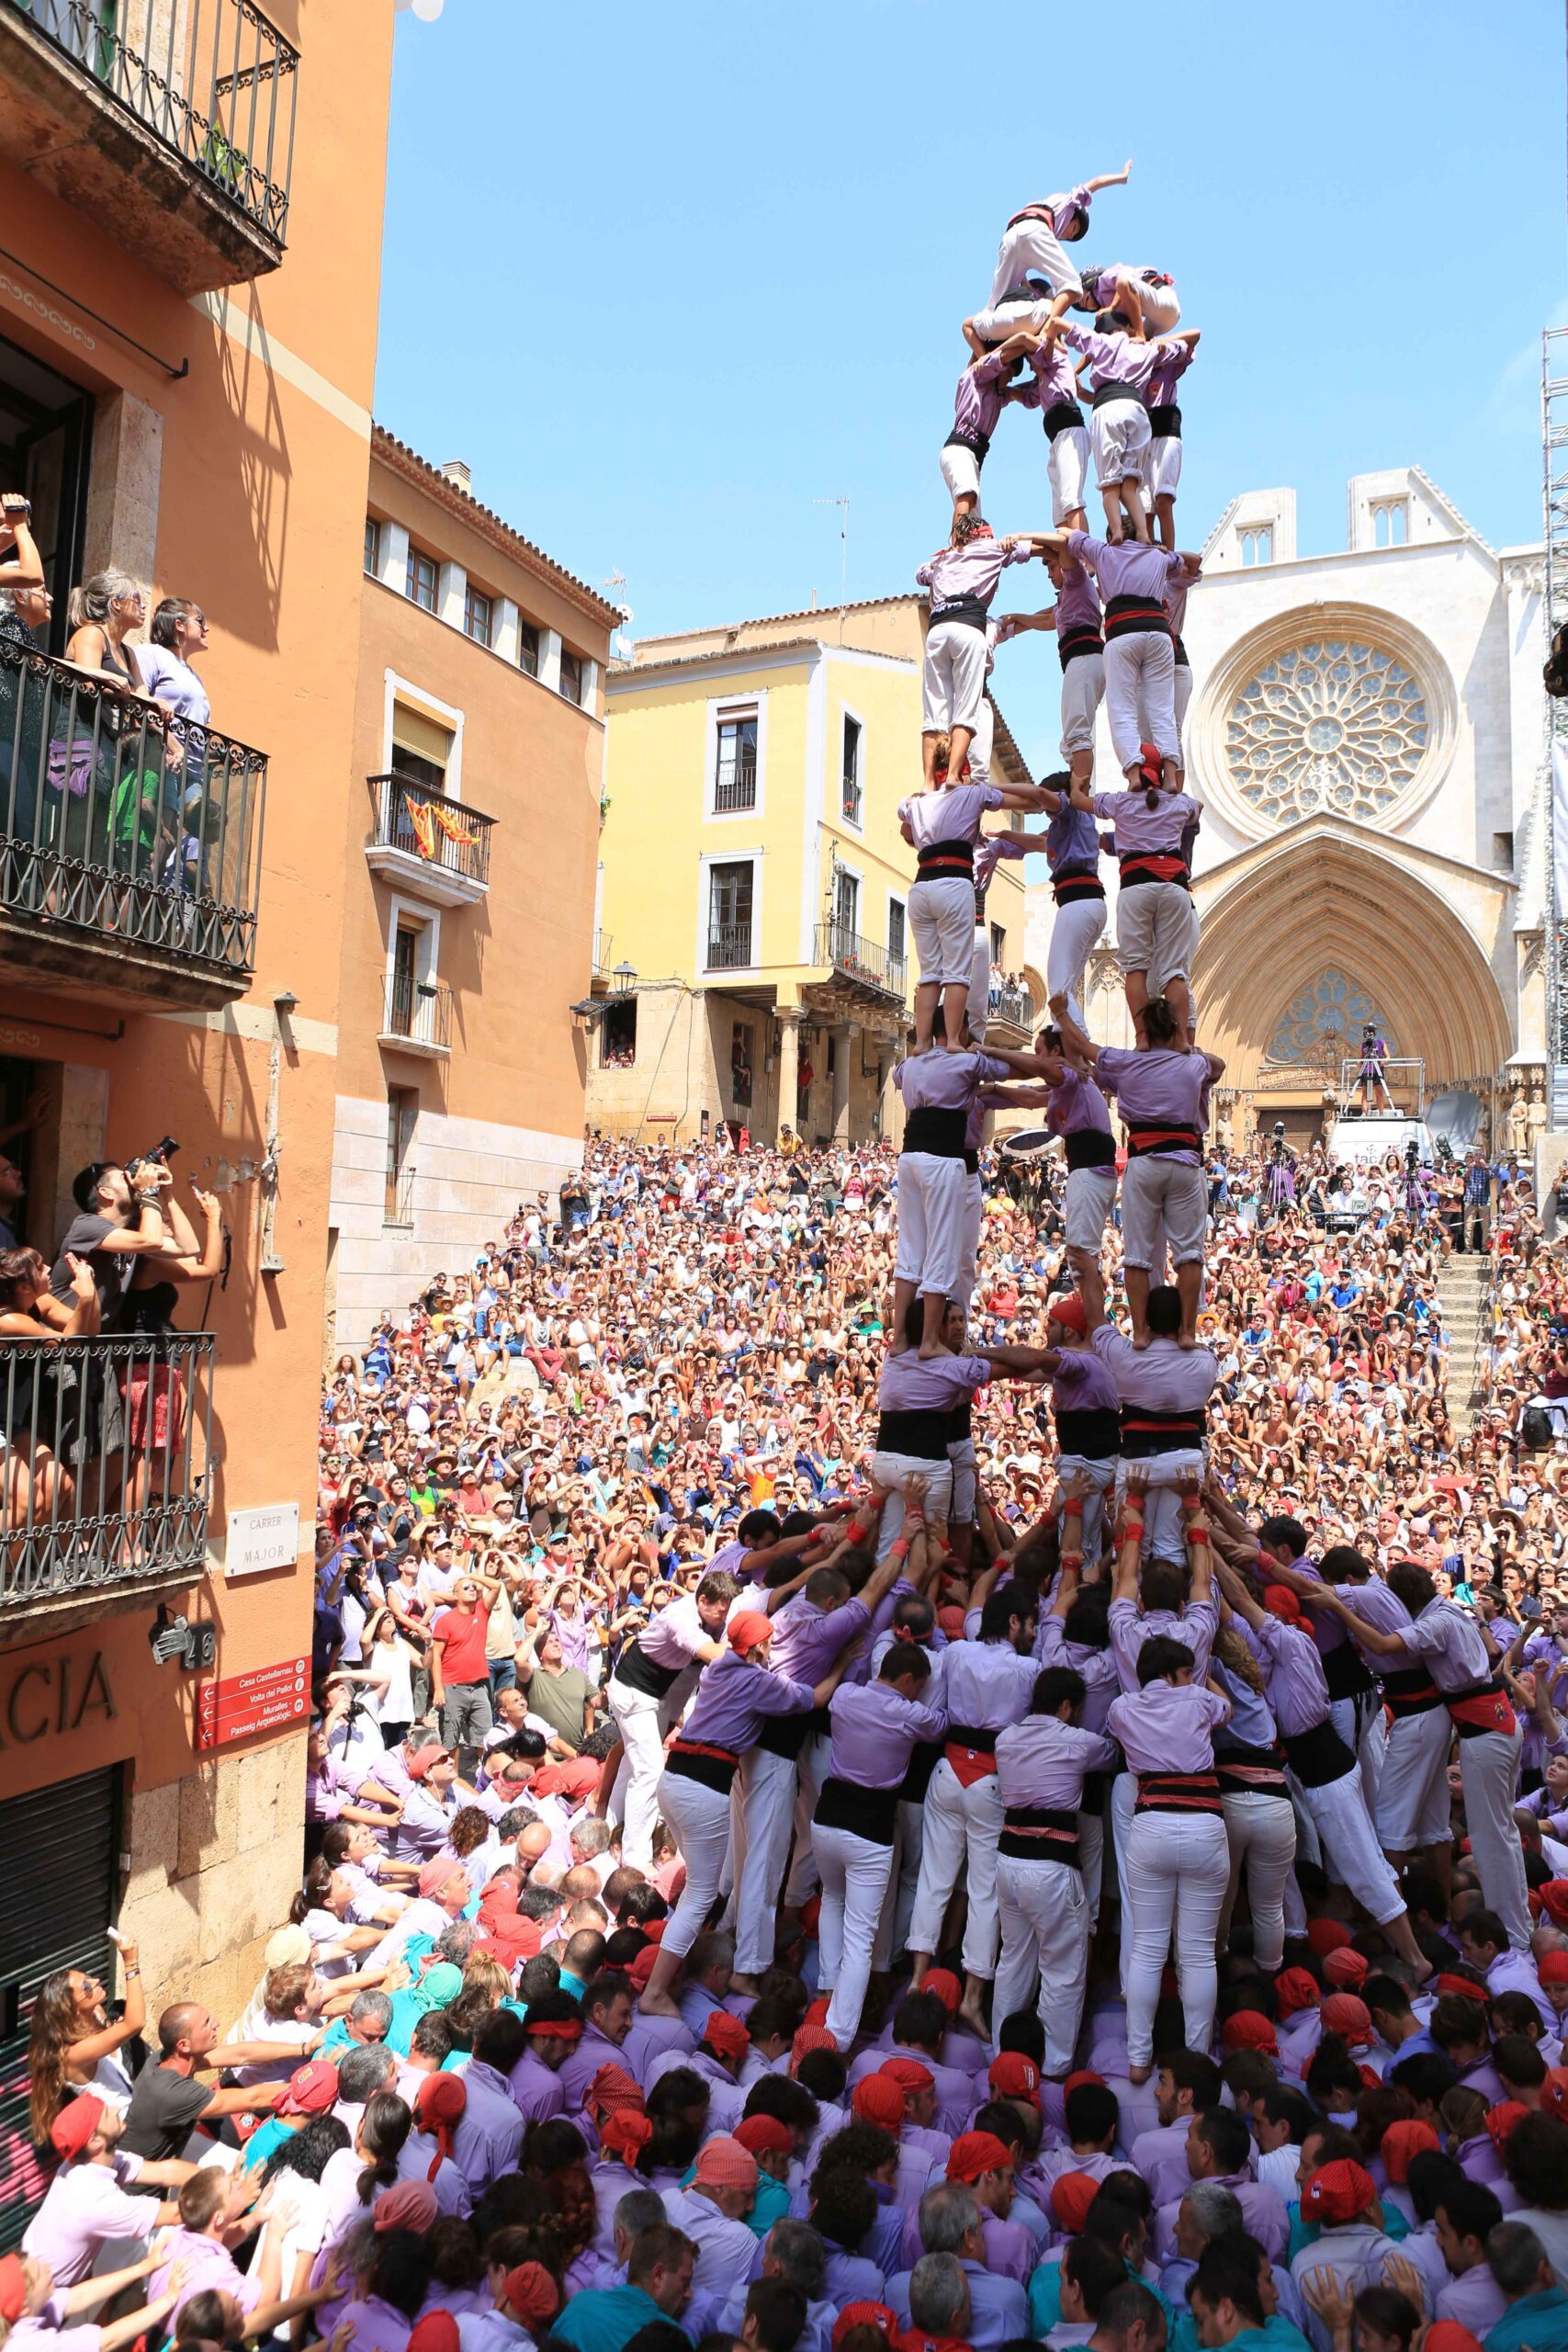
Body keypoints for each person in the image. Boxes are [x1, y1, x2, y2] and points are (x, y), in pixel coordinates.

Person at [1106, 1485, 1232, 2078]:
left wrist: (1132, 1524)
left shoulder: (1124, 1706)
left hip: (1148, 1809)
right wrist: (1195, 1525)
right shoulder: (1198, 1680)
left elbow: (1123, 1589)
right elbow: (1204, 1587)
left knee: (1149, 1944)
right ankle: (1196, 2057)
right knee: (1196, 1951)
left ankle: (1136, 2060)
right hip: (1203, 1819)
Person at [1060, 998, 1220, 1341]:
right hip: (1185, 1161)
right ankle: (1188, 1331)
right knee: (1190, 1253)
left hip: (1144, 1162)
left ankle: (1142, 1334)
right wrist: (1185, 1047)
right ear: (1174, 1031)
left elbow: (1083, 1046)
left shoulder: (1127, 1063)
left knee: (1136, 1253)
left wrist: (1061, 1012)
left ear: (1143, 1031)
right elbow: (1218, 1066)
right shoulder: (1192, 1065)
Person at [993, 1661, 1118, 2075]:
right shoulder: (1077, 1742)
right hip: (1051, 1867)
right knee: (1062, 1970)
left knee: (1013, 1960)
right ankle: (1053, 2069)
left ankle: (1003, 2058)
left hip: (1008, 1862)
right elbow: (1112, 1753)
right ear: (1067, 1706)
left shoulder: (1006, 1738)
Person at [913, 515, 1044, 793]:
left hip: (937, 629)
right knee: (966, 711)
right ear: (983, 535)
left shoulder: (942, 559)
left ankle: (927, 782)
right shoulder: (991, 547)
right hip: (967, 628)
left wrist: (948, 557)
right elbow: (1031, 548)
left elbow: (921, 573)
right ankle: (951, 776)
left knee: (934, 712)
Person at [966, 164, 1134, 346]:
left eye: (1071, 237)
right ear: (1074, 215)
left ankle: (977, 355)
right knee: (1073, 285)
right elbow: (1095, 183)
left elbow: (1020, 272)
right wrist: (1121, 177)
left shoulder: (1044, 206)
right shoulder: (1068, 204)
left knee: (996, 305)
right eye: (1074, 229)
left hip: (1010, 237)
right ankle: (1049, 329)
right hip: (1035, 229)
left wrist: (1029, 287)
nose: (1068, 235)